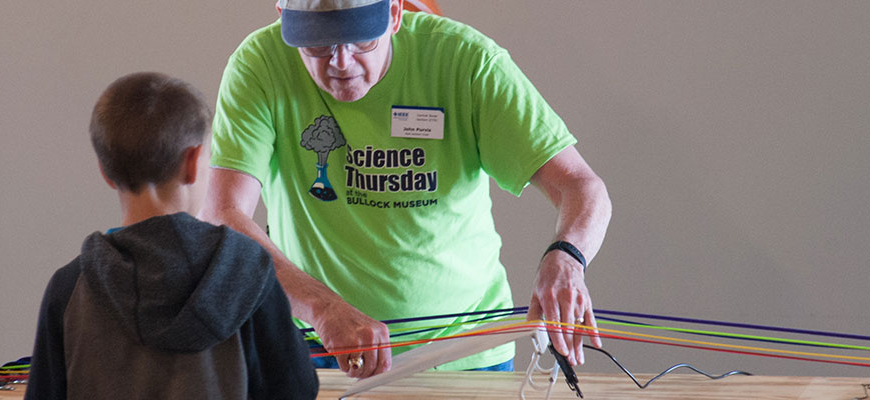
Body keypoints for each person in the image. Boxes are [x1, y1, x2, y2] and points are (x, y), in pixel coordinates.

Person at [204, 0, 613, 377]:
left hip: (464, 351)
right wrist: (322, 309)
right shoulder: (259, 64)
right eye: (318, 46)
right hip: (319, 342)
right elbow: (223, 214)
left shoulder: (466, 61)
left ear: (394, 13)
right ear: (283, 19)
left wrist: (567, 258)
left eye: (362, 39)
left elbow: (580, 185)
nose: (341, 62)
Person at [26, 72, 318, 399]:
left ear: (105, 171)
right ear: (193, 162)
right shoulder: (247, 271)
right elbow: (296, 390)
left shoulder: (70, 288)